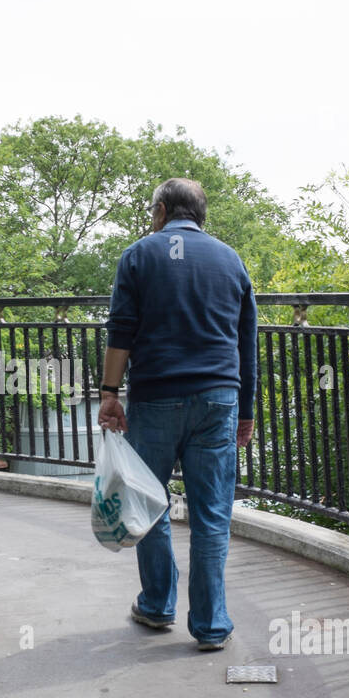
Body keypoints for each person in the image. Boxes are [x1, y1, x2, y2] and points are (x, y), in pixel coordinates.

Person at [98, 177, 257, 651]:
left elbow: (121, 329)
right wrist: (245, 412)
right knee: (212, 516)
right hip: (218, 400)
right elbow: (246, 344)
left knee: (149, 503)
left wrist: (109, 394)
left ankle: (157, 605)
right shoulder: (231, 261)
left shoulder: (139, 255)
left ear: (162, 210)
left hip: (156, 398)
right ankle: (210, 626)